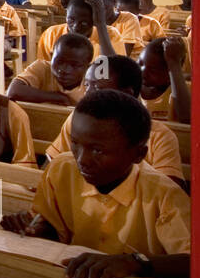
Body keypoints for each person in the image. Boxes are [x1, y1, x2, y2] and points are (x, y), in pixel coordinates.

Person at [1, 89, 191, 278]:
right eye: (75, 143)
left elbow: (196, 262)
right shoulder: (62, 169)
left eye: (98, 150)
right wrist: (35, 228)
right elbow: (52, 223)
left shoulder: (164, 195)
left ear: (138, 154)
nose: (82, 159)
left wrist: (132, 262)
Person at [43, 55, 186, 189]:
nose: (88, 93)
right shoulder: (78, 120)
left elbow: (169, 188)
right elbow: (53, 163)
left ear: (126, 94)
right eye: (87, 85)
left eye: (98, 88)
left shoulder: (159, 135)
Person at [8, 32, 93, 105]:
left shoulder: (92, 83)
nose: (64, 70)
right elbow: (13, 91)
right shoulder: (42, 67)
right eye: (60, 62)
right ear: (51, 56)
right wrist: (58, 98)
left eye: (74, 65)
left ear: (88, 67)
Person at [36, 0, 120, 61]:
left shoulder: (110, 34)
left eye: (84, 22)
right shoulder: (51, 34)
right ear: (66, 16)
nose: (76, 27)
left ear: (94, 20)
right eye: (71, 20)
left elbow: (115, 70)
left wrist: (101, 26)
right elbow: (43, 68)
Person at [138, 37, 192, 123]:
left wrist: (174, 63)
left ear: (172, 72)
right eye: (140, 64)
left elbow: (186, 118)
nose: (143, 73)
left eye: (153, 70)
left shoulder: (184, 91)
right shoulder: (132, 86)